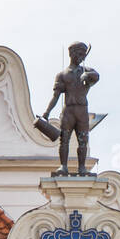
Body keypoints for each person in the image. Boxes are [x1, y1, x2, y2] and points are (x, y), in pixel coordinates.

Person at [42, 41, 99, 176]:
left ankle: (82, 168)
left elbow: (97, 76)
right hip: (68, 110)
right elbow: (55, 96)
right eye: (78, 53)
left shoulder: (86, 71)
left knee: (83, 140)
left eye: (82, 54)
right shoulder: (62, 75)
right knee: (65, 139)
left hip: (82, 110)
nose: (81, 57)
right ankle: (64, 166)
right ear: (72, 54)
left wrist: (88, 75)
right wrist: (47, 112)